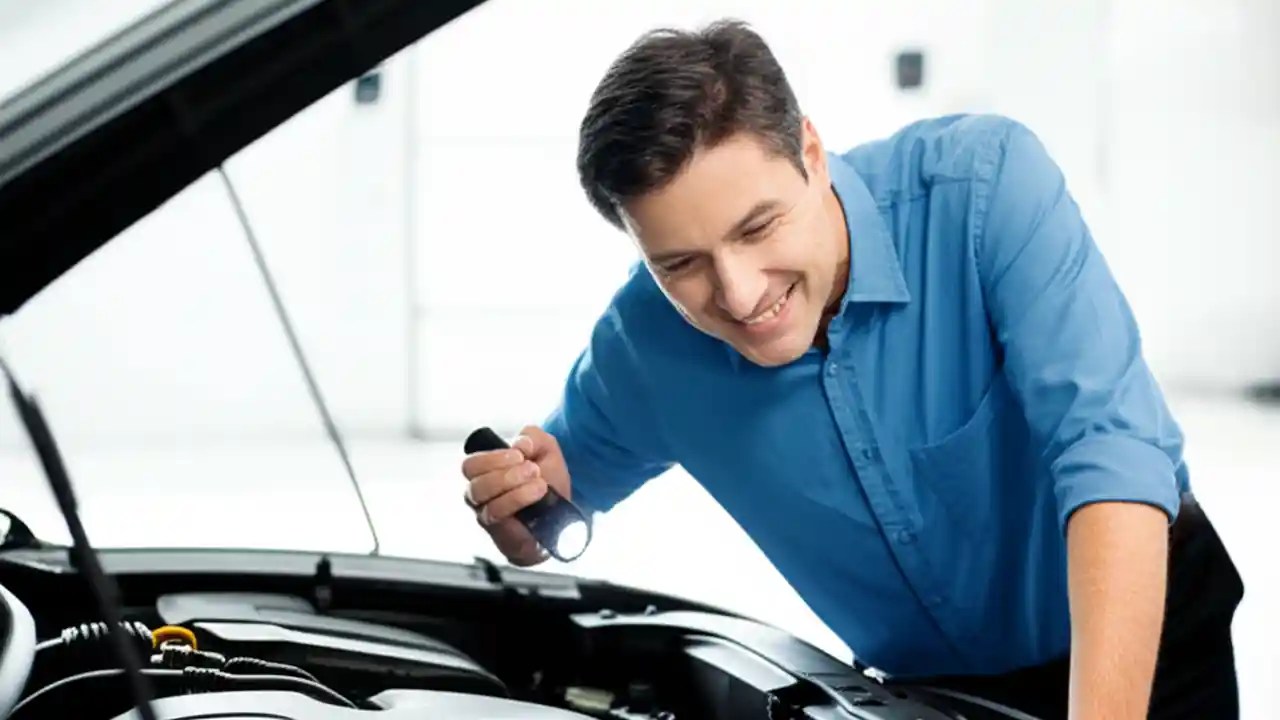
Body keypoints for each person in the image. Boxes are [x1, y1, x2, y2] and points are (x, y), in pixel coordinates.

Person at [459, 19, 1244, 720]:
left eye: (759, 226)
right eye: (682, 264)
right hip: (919, 694)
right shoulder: (643, 344)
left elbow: (1109, 457)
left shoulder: (985, 191)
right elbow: (555, 498)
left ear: (809, 152)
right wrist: (522, 512)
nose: (739, 292)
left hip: (1142, 641)